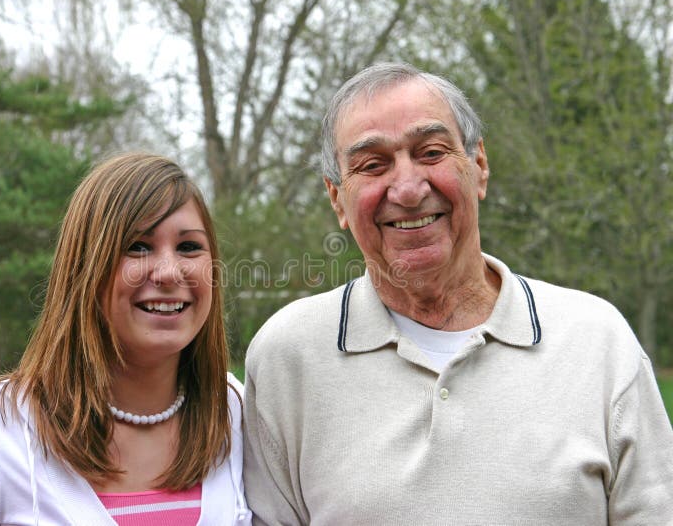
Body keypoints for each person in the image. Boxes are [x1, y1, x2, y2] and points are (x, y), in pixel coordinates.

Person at [242, 62, 673, 525]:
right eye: (372, 165)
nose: (407, 189)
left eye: (431, 152)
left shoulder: (596, 341)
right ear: (337, 200)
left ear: (480, 167)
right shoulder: (288, 359)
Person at [0, 152, 252, 525]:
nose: (168, 271)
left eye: (189, 247)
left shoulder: (237, 414)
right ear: (83, 268)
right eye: (138, 246)